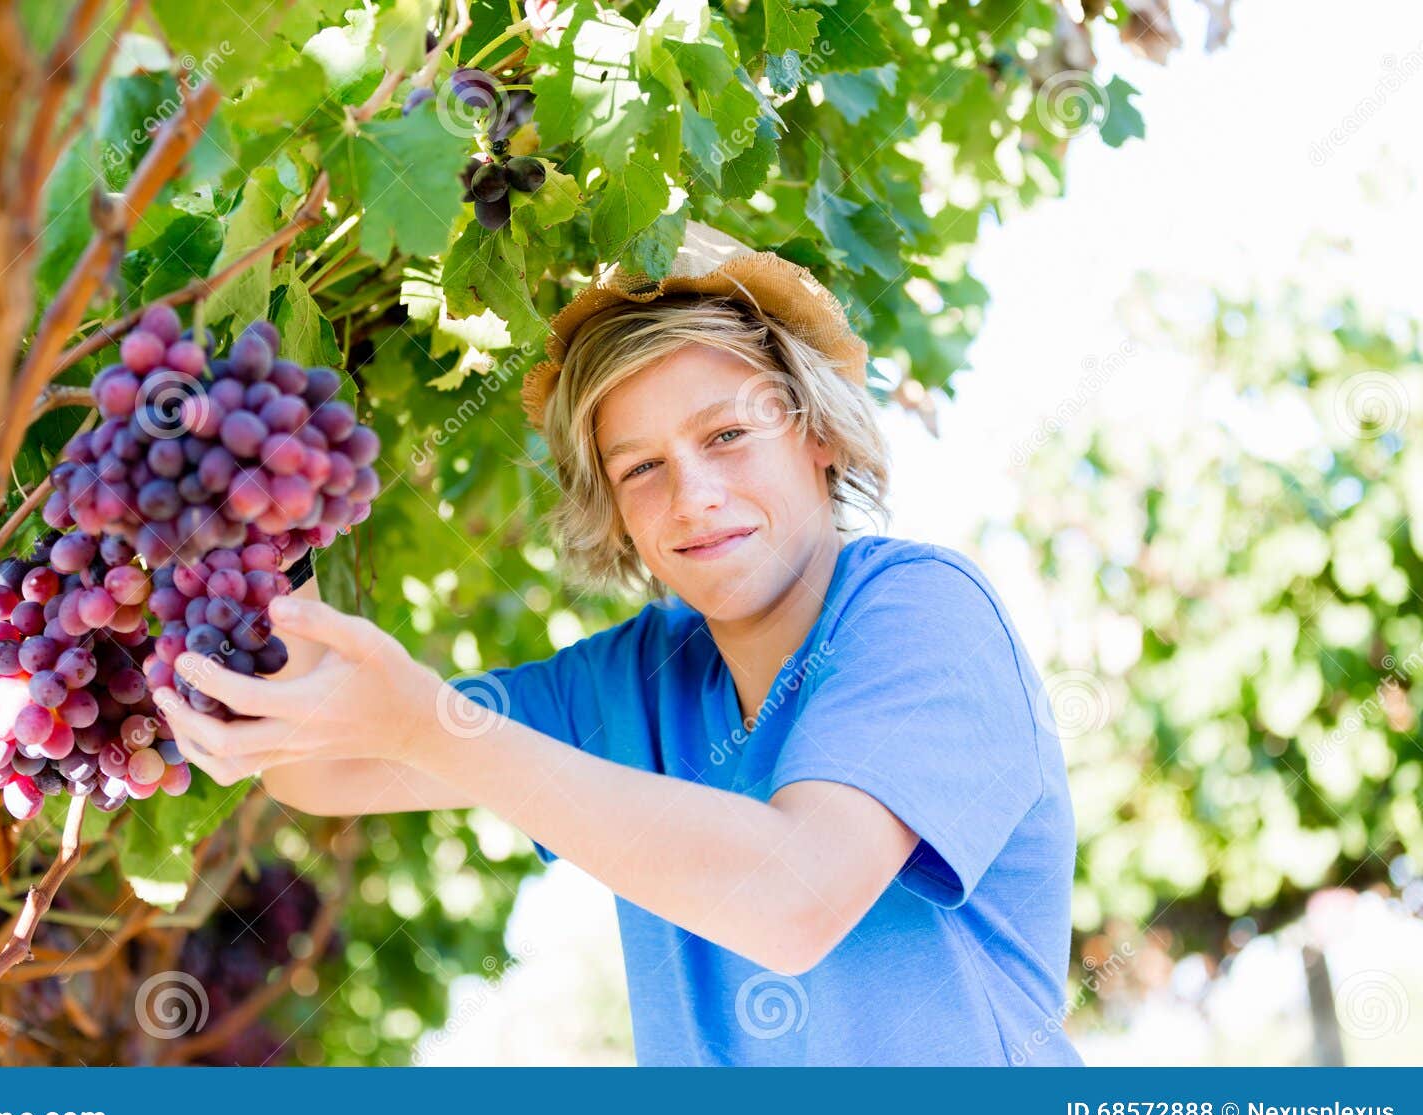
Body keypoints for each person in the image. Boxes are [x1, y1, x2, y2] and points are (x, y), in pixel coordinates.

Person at [152, 221, 1084, 1067]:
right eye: (641, 467)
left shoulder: (921, 610)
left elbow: (795, 897)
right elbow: (329, 764)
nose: (694, 495)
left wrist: (426, 727)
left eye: (726, 434)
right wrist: (263, 490)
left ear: (817, 438)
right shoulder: (633, 681)